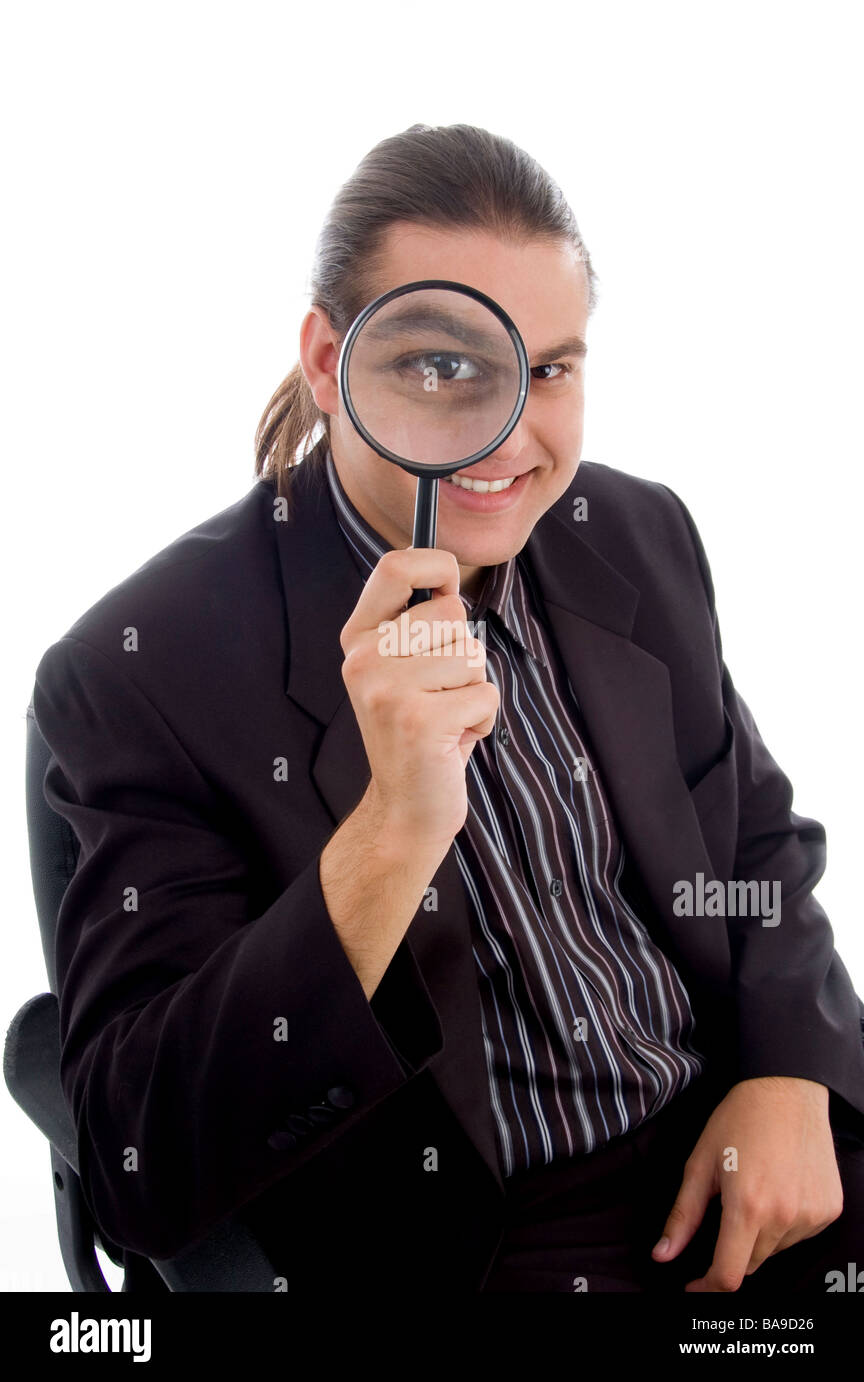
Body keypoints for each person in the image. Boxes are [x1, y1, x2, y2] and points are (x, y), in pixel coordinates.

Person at [32, 123, 864, 1294]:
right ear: (329, 362)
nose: (512, 437)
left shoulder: (636, 532)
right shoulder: (141, 669)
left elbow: (758, 847)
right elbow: (141, 1161)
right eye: (443, 367)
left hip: (730, 1147)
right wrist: (391, 836)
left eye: (554, 368)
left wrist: (795, 1074)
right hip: (476, 1240)